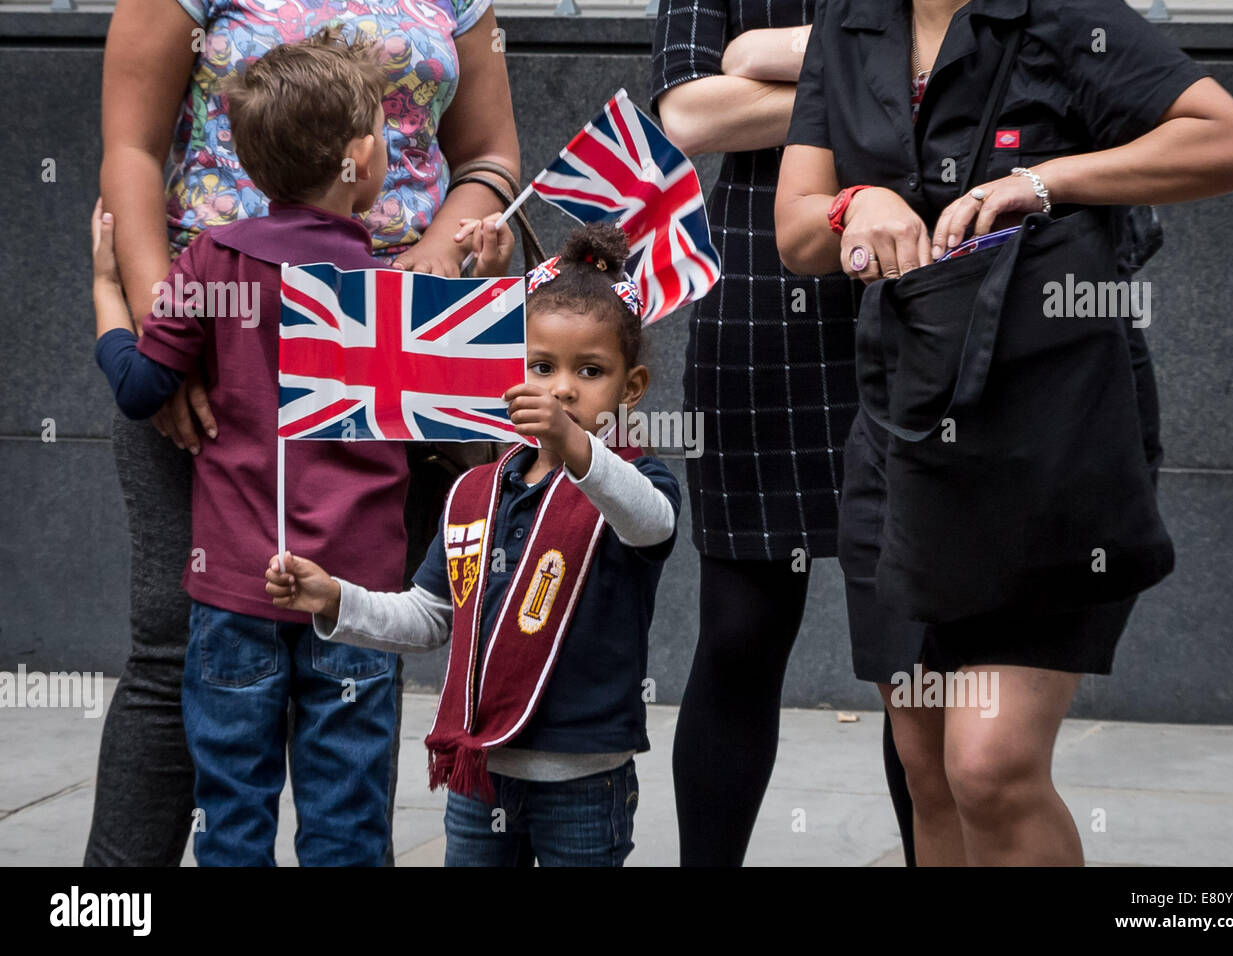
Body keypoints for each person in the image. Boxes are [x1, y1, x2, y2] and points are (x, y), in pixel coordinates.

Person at [776, 0, 1233, 864]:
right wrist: (856, 203)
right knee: (927, 769)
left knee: (989, 767)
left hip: (1055, 430)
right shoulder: (850, 24)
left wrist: (1046, 180)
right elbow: (796, 226)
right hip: (904, 431)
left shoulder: (1065, 15)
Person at [90, 0, 519, 865]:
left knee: (344, 657)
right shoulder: (216, 264)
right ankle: (110, 903)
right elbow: (131, 145)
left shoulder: (459, 5)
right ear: (365, 160)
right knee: (182, 655)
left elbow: (489, 154)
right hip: (214, 354)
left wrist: (446, 262)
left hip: (388, 358)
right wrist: (158, 330)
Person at [264, 223, 680, 867]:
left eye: (589, 371)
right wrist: (334, 600)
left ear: (631, 388)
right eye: (541, 367)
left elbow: (651, 523)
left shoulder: (629, 480)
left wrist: (577, 450)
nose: (562, 388)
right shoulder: (474, 493)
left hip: (585, 777)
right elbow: (430, 617)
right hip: (480, 770)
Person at [651, 0, 916, 866]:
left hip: (924, 271)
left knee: (916, 648)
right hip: (763, 285)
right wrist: (886, 77)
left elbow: (979, 82)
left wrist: (777, 65)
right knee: (740, 626)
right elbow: (691, 114)